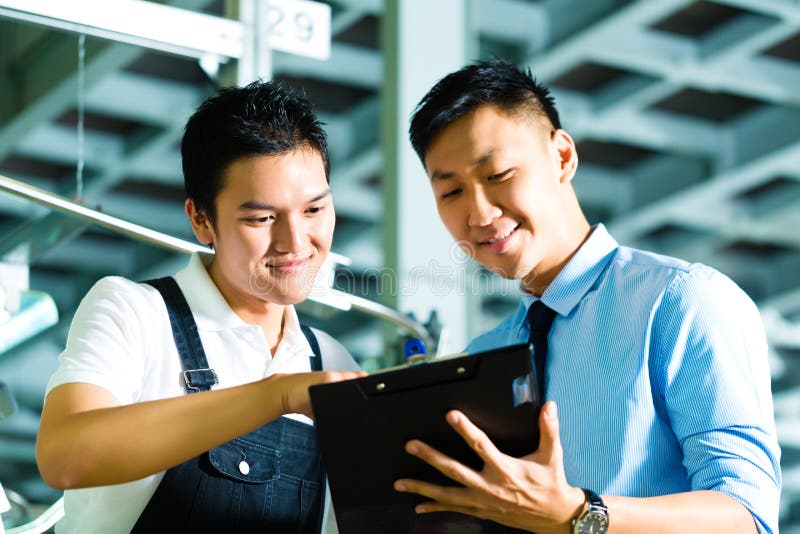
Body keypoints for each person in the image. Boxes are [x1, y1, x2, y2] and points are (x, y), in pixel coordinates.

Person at [395, 59, 781, 534]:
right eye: (451, 192)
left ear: (562, 157)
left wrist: (580, 515)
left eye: (497, 175)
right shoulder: (481, 358)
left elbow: (748, 517)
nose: (478, 213)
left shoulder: (682, 301)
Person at [36, 81, 363, 533]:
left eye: (313, 210)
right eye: (261, 218)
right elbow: (64, 456)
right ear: (200, 219)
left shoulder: (329, 359)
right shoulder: (136, 313)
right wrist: (277, 395)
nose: (294, 243)